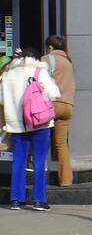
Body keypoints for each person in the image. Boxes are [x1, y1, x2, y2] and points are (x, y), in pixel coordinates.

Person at [3, 47, 61, 211]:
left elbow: (2, 99)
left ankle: (16, 199)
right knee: (39, 160)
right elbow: (54, 93)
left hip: (17, 124)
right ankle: (39, 200)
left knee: (19, 161)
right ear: (36, 59)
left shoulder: (8, 74)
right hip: (39, 122)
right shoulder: (39, 71)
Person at [41, 36, 76, 186]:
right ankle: (66, 180)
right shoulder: (69, 62)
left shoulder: (47, 59)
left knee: (39, 138)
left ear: (50, 47)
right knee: (61, 143)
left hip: (52, 104)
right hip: (68, 106)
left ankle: (34, 170)